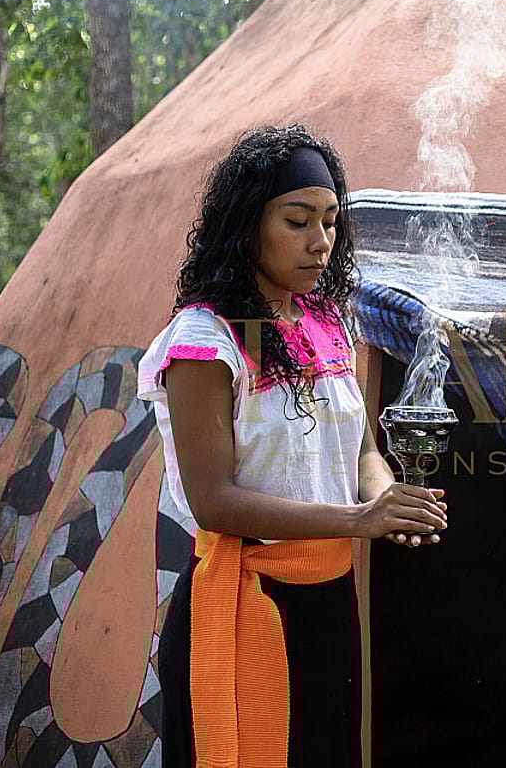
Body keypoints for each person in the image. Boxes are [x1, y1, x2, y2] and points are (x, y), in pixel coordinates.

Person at [136, 124, 448, 768]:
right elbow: (216, 502)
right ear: (249, 224)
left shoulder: (328, 324)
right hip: (248, 605)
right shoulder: (205, 340)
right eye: (298, 221)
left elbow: (362, 451)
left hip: (329, 606)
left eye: (331, 222)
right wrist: (361, 519)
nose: (321, 242)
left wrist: (391, 500)